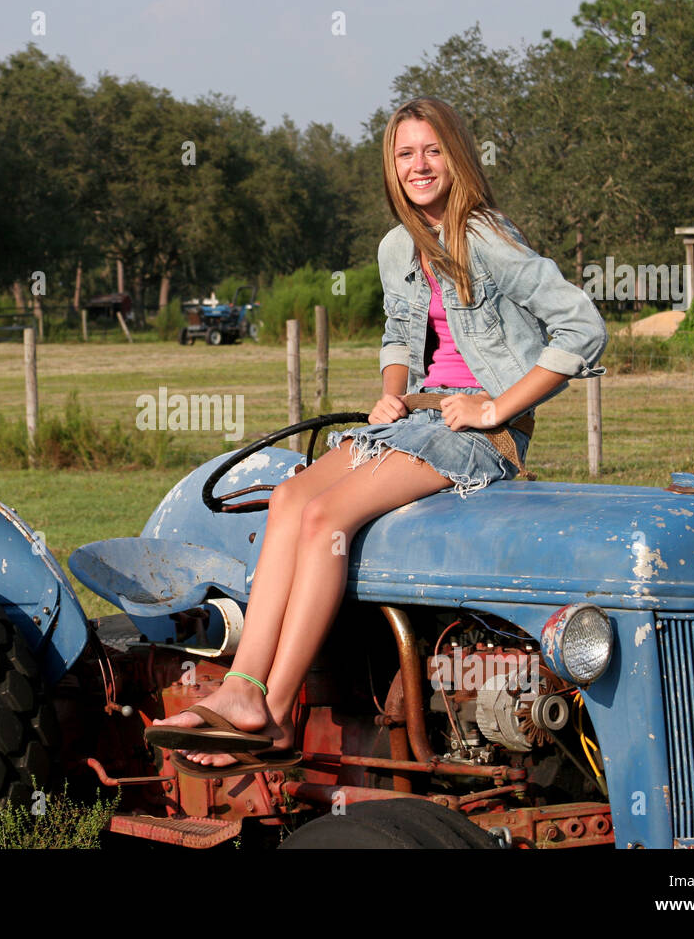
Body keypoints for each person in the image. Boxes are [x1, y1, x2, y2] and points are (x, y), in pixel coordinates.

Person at [144, 96, 607, 775]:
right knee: (289, 499)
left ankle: (271, 708)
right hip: (417, 418)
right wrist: (392, 389)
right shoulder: (399, 246)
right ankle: (241, 687)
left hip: (475, 437)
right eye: (404, 154)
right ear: (391, 167)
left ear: (456, 156)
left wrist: (495, 408)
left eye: (432, 151)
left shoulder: (485, 238)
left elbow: (583, 329)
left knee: (329, 515)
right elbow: (400, 332)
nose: (419, 165)